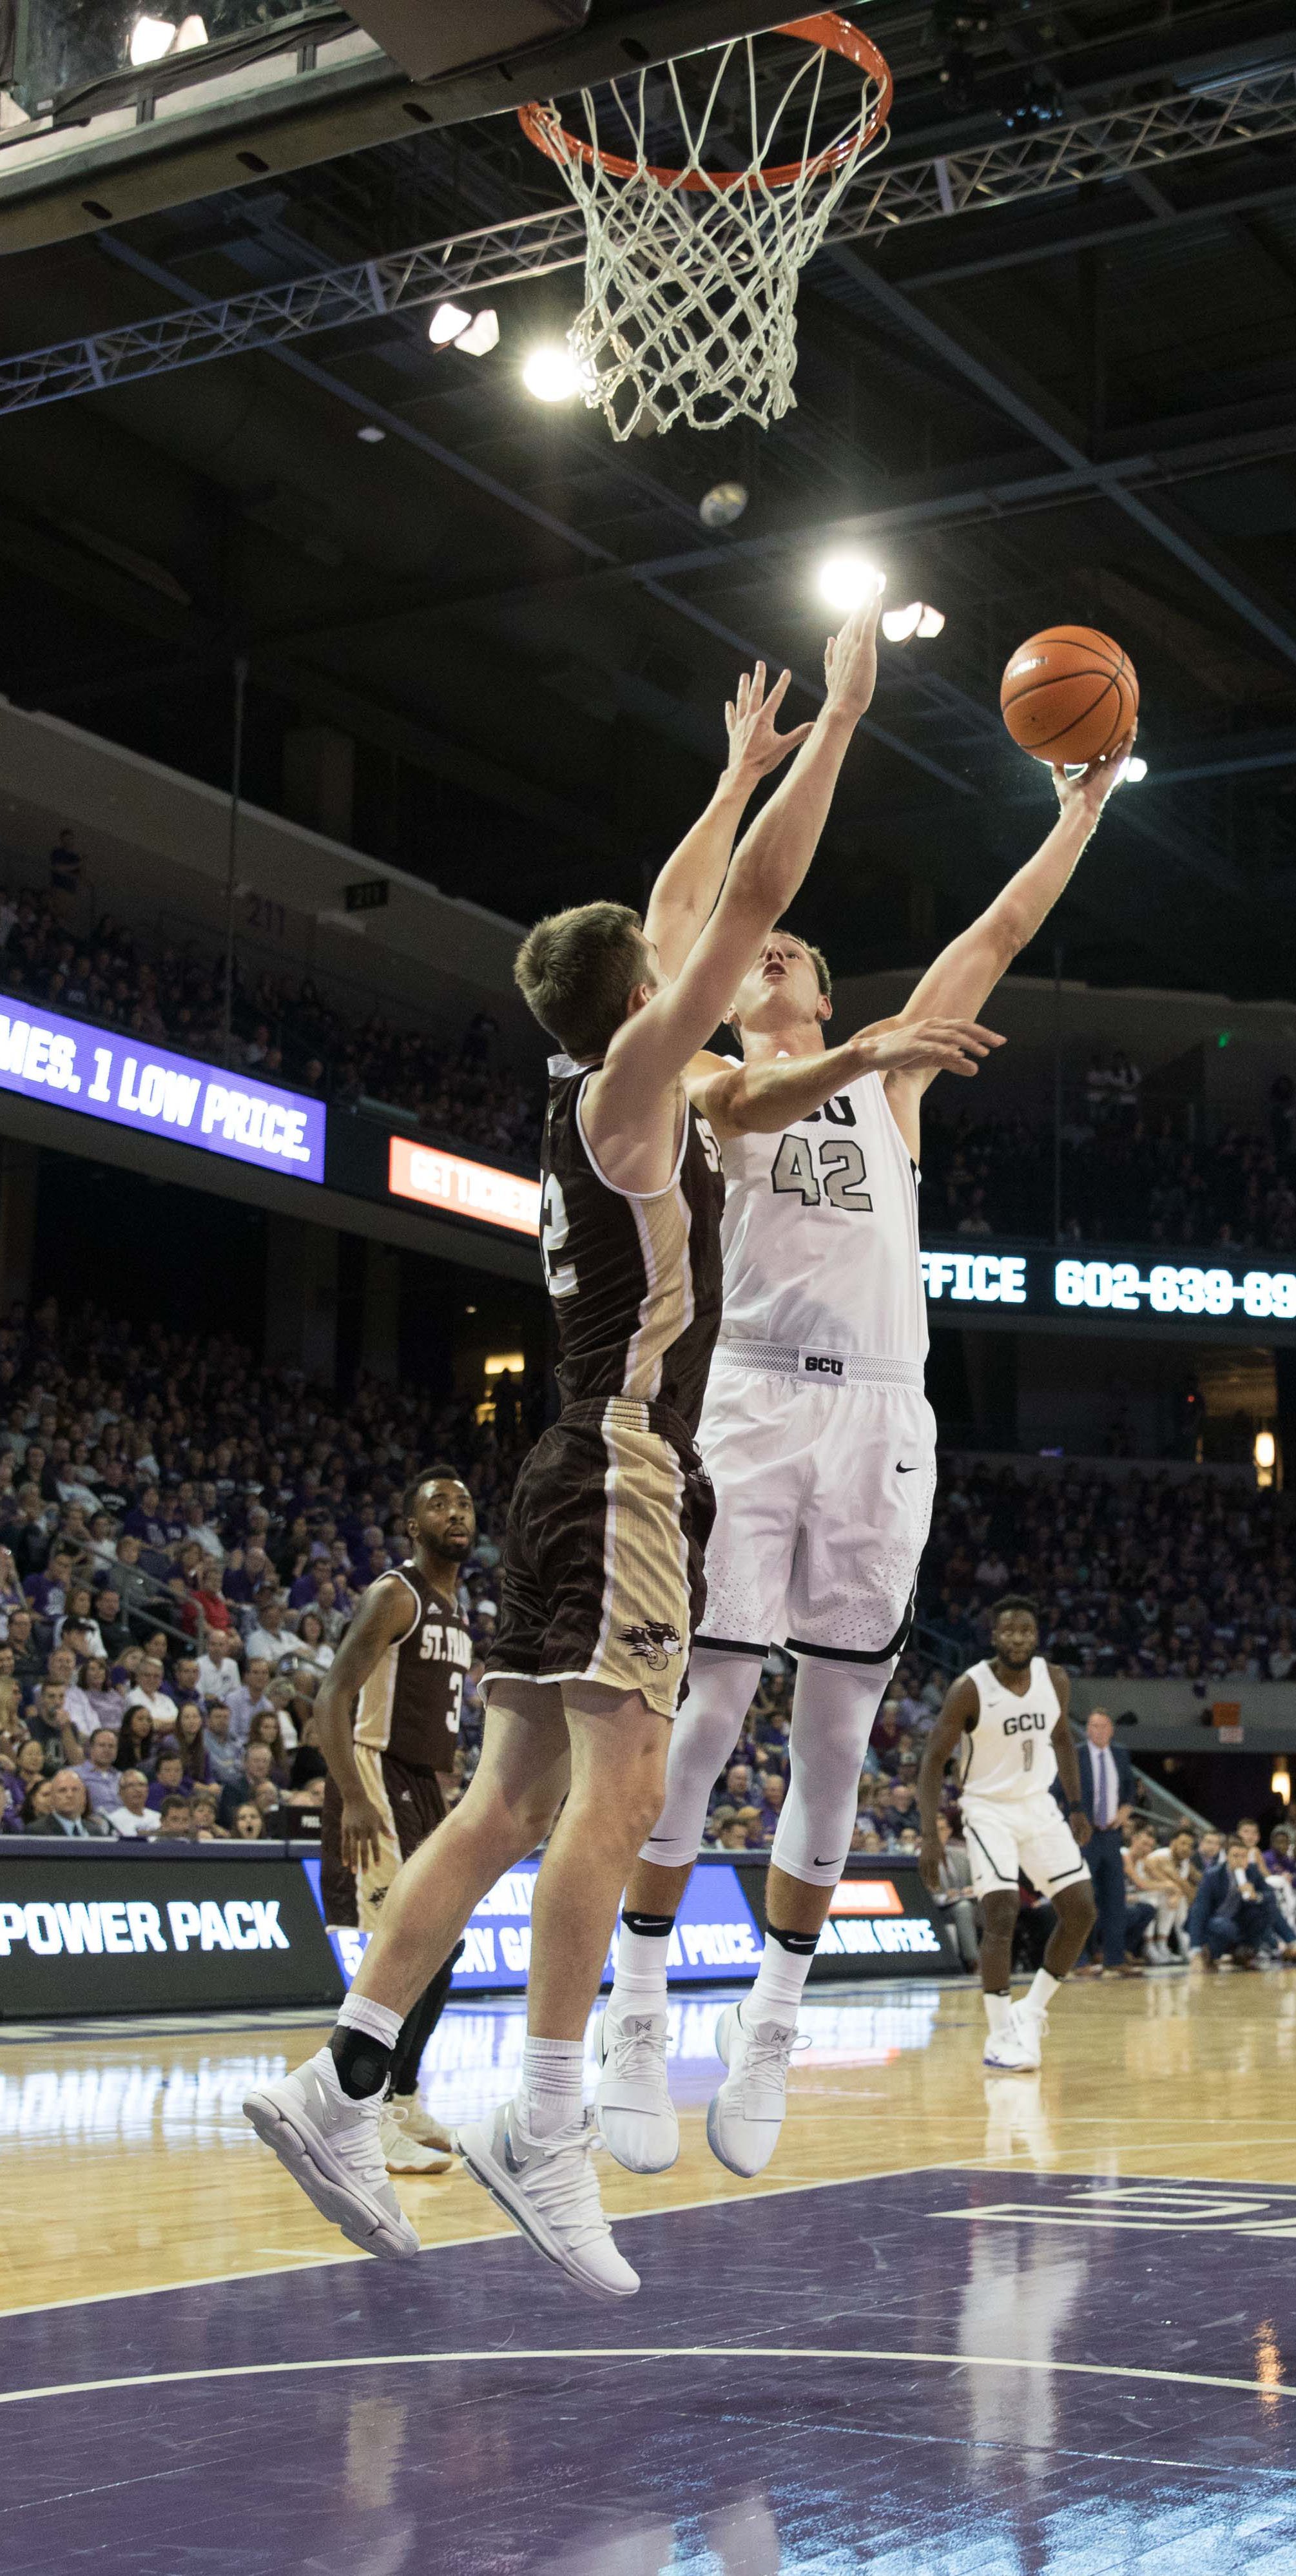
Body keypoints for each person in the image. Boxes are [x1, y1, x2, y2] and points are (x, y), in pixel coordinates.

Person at [244, 615, 884, 2296]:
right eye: (669, 965)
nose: (705, 960)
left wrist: (731, 768)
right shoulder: (629, 1085)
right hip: (620, 1472)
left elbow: (690, 906)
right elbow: (735, 909)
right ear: (641, 997)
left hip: (566, 1466)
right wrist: (839, 730)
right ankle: (541, 2116)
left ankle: (338, 2074)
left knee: (507, 1795)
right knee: (614, 1792)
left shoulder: (593, 1078)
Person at [601, 733, 1129, 2177]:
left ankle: (771, 2026)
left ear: (827, 989)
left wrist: (1076, 808)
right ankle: (636, 2012)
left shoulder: (892, 1085)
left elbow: (1001, 927)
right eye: (752, 951)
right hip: (757, 1402)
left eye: (788, 953)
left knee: (834, 1739)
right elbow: (674, 930)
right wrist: (728, 786)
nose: (762, 957)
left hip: (886, 1416)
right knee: (707, 1717)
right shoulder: (719, 1081)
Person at [296, 1466, 478, 2177]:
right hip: (374, 1773)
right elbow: (331, 1696)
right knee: (400, 1950)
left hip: (423, 1788)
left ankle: (400, 2095)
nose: (455, 1512)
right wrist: (355, 1793)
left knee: (446, 1946)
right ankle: (359, 2114)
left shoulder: (458, 1609)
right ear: (412, 1525)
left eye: (463, 1503)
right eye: (438, 1503)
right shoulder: (394, 1594)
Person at [916, 1599, 1095, 2068]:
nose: (1017, 1638)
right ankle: (997, 2035)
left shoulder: (1054, 1678)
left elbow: (1061, 1740)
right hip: (987, 1807)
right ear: (994, 1637)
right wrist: (929, 1836)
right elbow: (933, 1759)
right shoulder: (969, 1688)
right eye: (1008, 1631)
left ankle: (1031, 2009)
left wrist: (1076, 1805)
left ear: (1035, 1637)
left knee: (1080, 1910)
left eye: (1025, 1630)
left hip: (1038, 1804)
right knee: (1001, 1912)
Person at [1074, 1708, 1139, 1977]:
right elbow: (1059, 1789)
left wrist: (1127, 1808)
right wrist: (1074, 1816)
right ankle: (1078, 1959)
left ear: (1111, 1730)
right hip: (1085, 1836)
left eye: (1103, 1726)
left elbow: (1130, 1790)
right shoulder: (1076, 1755)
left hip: (1111, 1835)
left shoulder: (1121, 1754)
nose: (1098, 1731)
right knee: (1081, 1898)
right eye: (1093, 1726)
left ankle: (1114, 1958)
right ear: (1087, 1730)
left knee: (1115, 1897)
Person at [1188, 1837, 1296, 1968]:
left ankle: (1286, 1943)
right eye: (1235, 1856)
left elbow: (1271, 1898)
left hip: (1241, 1923)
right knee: (1224, 1926)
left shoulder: (1253, 1871)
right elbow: (1199, 1911)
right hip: (1216, 1923)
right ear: (1227, 1857)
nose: (1240, 1860)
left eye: (1243, 1856)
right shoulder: (1212, 1875)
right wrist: (1195, 1949)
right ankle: (1209, 1952)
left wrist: (1257, 1896)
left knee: (1265, 1908)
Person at [930, 1812, 979, 1971]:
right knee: (964, 1908)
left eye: (943, 1829)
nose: (940, 1834)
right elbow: (922, 1895)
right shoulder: (923, 1859)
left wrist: (972, 1888)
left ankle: (1001, 1959)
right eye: (935, 1830)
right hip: (939, 1910)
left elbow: (976, 1882)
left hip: (966, 1902)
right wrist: (944, 1896)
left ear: (949, 1831)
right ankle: (974, 1962)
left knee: (995, 1906)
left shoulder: (960, 1855)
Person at [104, 1768, 160, 1837]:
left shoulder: (159, 1818)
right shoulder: (112, 1821)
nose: (138, 1790)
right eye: (131, 1785)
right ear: (121, 1792)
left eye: (141, 1785)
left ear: (147, 1790)